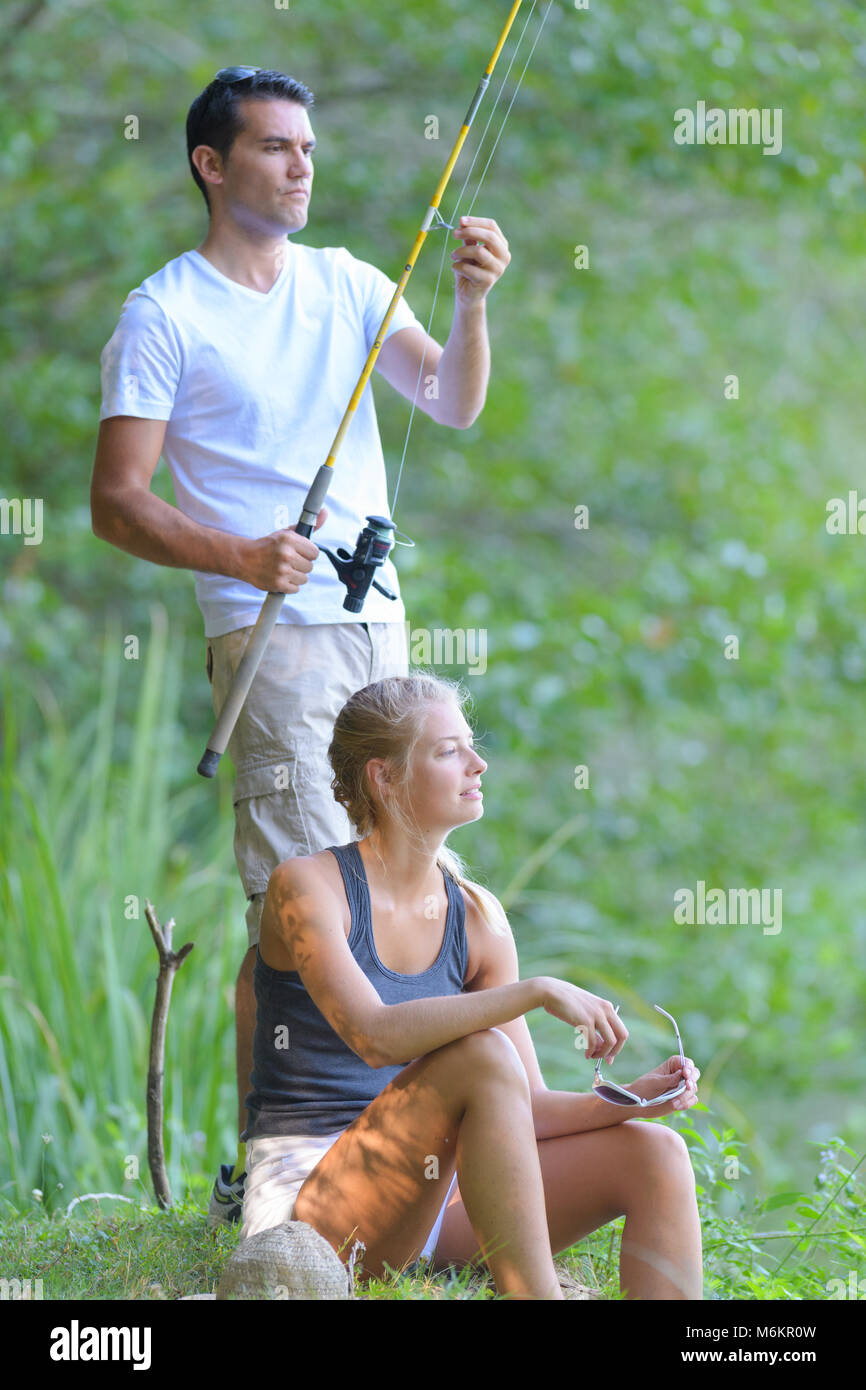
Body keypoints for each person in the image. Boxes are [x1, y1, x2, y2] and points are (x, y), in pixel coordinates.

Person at [90, 67, 512, 1222]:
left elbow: (453, 401)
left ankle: (406, 1157)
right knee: (300, 895)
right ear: (211, 166)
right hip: (269, 644)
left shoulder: (350, 285)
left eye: (308, 148)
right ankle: (279, 1178)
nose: (300, 165)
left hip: (377, 627)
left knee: (410, 875)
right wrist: (238, 554)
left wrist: (472, 303)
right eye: (274, 148)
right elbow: (117, 501)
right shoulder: (163, 313)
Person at [242, 672, 704, 1301]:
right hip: (315, 1210)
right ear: (383, 777)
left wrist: (628, 1100)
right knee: (483, 1053)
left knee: (658, 1153)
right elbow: (373, 1035)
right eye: (448, 750)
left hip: (440, 1198)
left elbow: (524, 1109)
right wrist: (536, 991)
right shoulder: (307, 886)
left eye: (470, 745)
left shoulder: (476, 918)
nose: (478, 764)